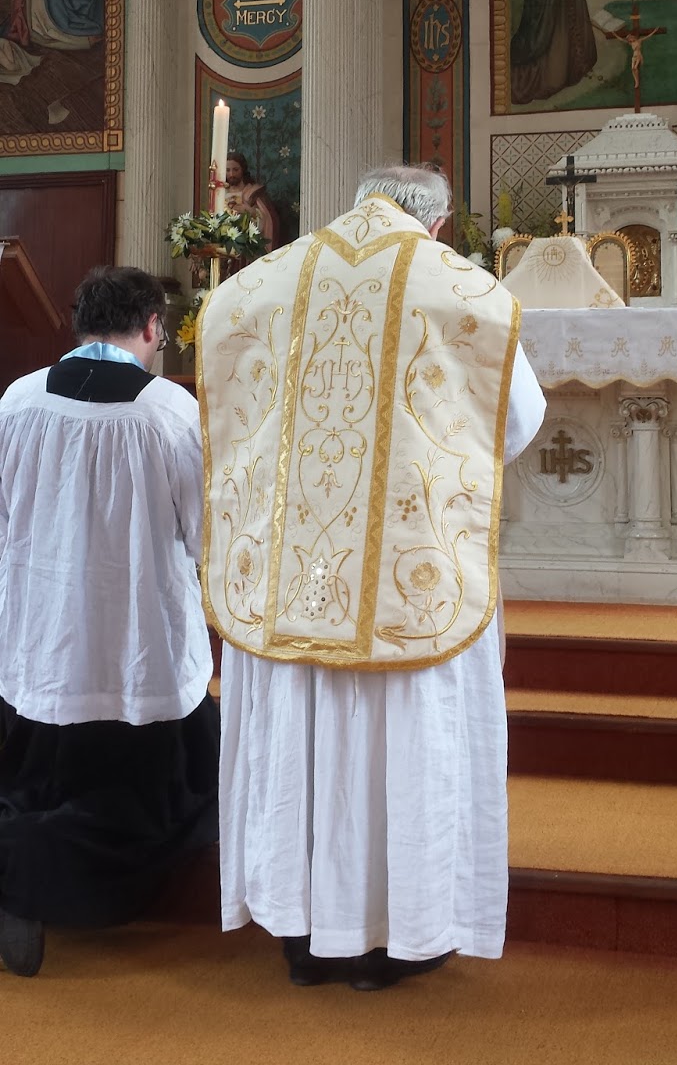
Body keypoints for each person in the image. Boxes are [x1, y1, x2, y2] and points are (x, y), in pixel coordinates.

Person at [199, 163, 546, 991]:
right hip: (410, 571)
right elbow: (517, 420)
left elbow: (230, 407)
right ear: (437, 225)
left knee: (302, 743)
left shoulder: (263, 282)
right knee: (402, 746)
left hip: (288, 575)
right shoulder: (460, 286)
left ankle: (298, 930)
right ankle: (396, 938)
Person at [0, 267, 218, 978]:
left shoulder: (18, 399)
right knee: (173, 795)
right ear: (153, 327)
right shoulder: (168, 410)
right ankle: (36, 874)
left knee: (29, 778)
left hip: (40, 643)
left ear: (77, 323)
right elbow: (202, 530)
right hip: (136, 652)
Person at [224, 151, 280, 250]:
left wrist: (250, 211)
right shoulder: (220, 194)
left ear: (243, 170)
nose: (231, 174)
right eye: (227, 170)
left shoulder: (253, 193)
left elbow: (268, 219)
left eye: (235, 170)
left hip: (247, 248)